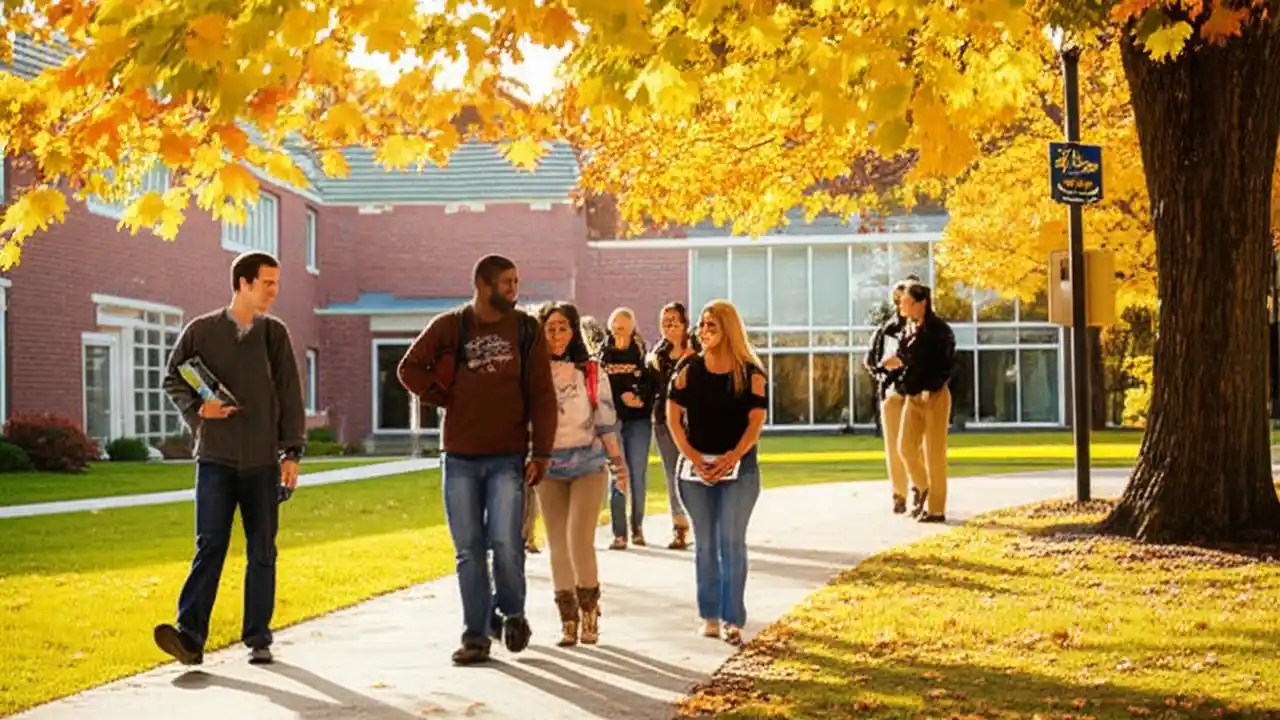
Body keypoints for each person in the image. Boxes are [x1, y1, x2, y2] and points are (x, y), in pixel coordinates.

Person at [397, 255, 557, 665]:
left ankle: (512, 613)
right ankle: (476, 636)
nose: (514, 290)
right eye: (507, 283)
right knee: (468, 550)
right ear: (483, 285)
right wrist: (441, 396)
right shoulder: (451, 325)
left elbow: (542, 395)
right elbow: (408, 368)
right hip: (459, 457)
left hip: (508, 455)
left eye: (517, 281)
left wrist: (541, 452)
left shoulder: (526, 329)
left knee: (505, 543)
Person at [154, 251, 306, 667]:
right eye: (267, 283)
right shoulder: (200, 331)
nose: (274, 291)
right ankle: (190, 637)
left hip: (262, 462)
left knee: (262, 548)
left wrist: (291, 453)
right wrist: (200, 410)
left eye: (277, 283)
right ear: (243, 283)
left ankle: (258, 637)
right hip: (216, 460)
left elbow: (290, 396)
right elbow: (173, 377)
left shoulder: (275, 334)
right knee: (210, 545)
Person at [666, 299, 767, 646]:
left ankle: (732, 618)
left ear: (729, 330)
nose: (704, 331)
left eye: (713, 325)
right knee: (705, 542)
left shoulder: (751, 372)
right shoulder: (688, 368)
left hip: (739, 470)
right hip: (695, 470)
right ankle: (709, 614)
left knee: (730, 541)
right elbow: (672, 416)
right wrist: (693, 457)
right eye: (702, 325)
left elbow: (756, 421)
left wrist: (732, 456)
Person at [536, 301, 630, 646]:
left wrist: (619, 465)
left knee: (578, 540)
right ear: (541, 332)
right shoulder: (531, 373)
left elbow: (606, 422)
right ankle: (568, 621)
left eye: (563, 327)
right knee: (557, 545)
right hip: (548, 466)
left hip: (588, 464)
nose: (557, 334)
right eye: (550, 327)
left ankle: (590, 615)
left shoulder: (590, 371)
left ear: (573, 331)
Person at [882, 283, 956, 523]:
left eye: (906, 301)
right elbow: (907, 360)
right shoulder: (908, 330)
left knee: (935, 453)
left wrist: (930, 386)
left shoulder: (940, 331)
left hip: (934, 397)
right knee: (904, 447)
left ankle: (936, 509)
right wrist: (895, 365)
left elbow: (946, 365)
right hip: (913, 397)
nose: (902, 304)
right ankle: (924, 487)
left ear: (921, 302)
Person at [601, 307, 657, 550]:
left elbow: (651, 385)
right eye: (615, 329)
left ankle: (637, 527)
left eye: (623, 328)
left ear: (632, 329)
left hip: (639, 421)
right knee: (618, 473)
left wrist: (640, 397)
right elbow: (600, 391)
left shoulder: (643, 356)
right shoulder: (603, 357)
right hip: (613, 420)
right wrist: (621, 394)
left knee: (637, 473)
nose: (618, 333)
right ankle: (619, 533)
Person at [864, 277, 920, 515]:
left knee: (918, 447)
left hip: (918, 394)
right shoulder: (887, 330)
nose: (902, 304)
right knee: (895, 447)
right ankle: (899, 493)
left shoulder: (925, 329)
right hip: (893, 393)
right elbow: (871, 361)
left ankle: (920, 487)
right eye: (899, 299)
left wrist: (906, 362)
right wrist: (883, 368)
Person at [648, 301, 700, 550]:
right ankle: (679, 527)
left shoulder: (698, 352)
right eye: (664, 322)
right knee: (672, 474)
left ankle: (703, 523)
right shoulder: (657, 355)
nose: (669, 327)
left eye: (674, 321)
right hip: (664, 421)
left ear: (684, 324)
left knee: (698, 469)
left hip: (697, 421)